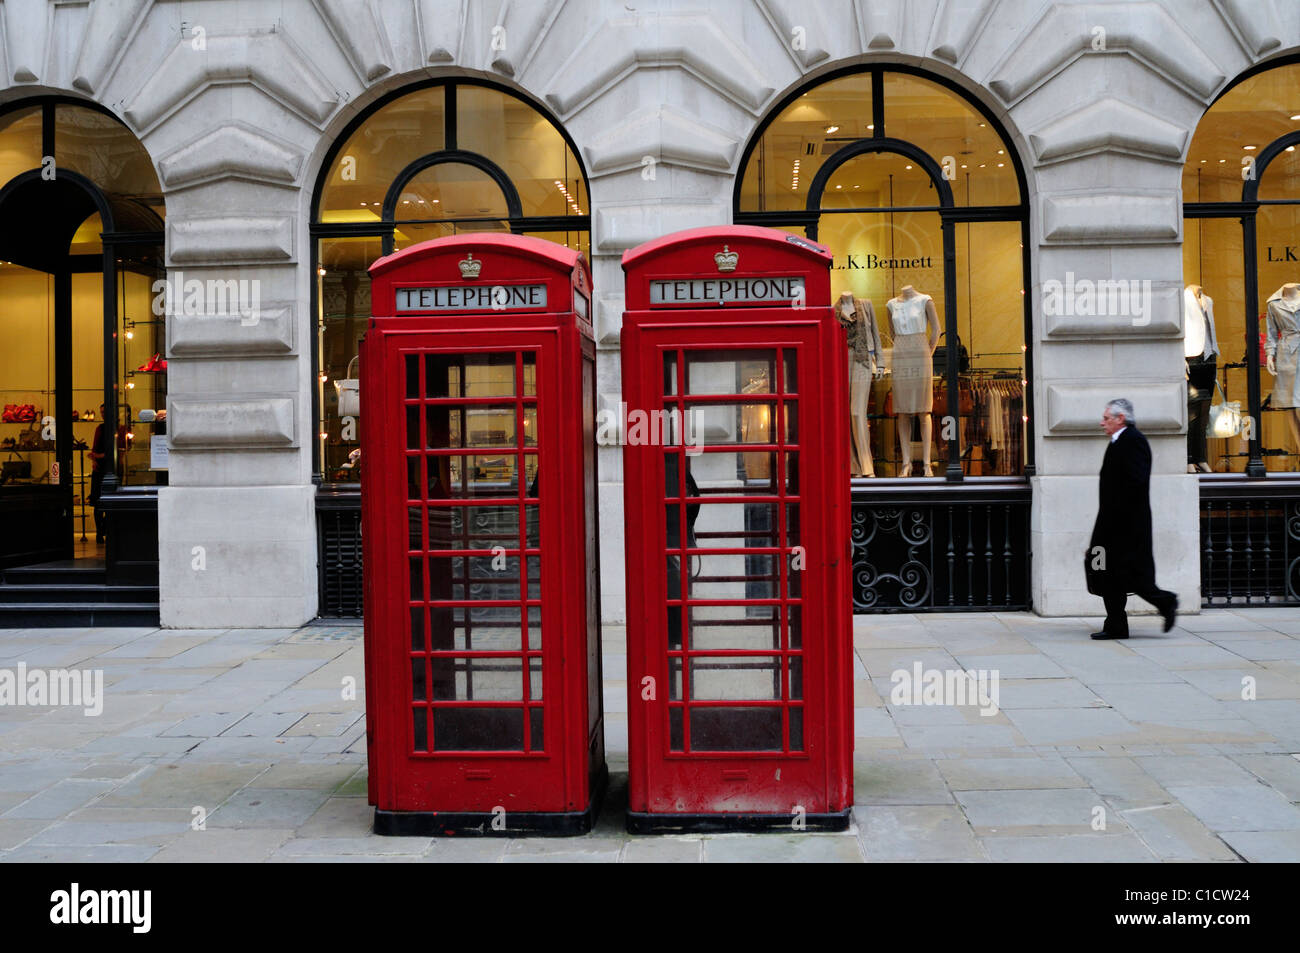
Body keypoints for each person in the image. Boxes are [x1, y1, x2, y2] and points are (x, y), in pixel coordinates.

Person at [1088, 398, 1177, 639]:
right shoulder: (1119, 441)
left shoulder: (1133, 441)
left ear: (1121, 419)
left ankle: (1166, 602)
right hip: (1111, 524)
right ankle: (1116, 625)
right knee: (1105, 573)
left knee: (1133, 577)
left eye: (1106, 418)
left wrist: (1118, 524)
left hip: (1126, 527)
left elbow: (1135, 484)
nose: (1102, 422)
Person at [87, 403, 108, 543]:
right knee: (98, 502)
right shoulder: (100, 428)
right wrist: (95, 459)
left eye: (104, 412)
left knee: (108, 502)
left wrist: (98, 457)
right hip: (100, 469)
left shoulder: (118, 428)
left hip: (110, 469)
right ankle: (100, 532)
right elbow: (94, 448)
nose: (102, 415)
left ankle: (104, 529)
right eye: (101, 412)